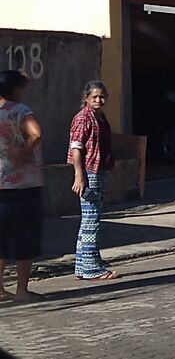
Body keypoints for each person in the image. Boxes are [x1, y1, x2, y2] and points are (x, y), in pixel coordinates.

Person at [0, 70, 44, 302]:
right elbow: (36, 134)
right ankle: (22, 290)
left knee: (1, 238)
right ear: (15, 89)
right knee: (24, 237)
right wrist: (24, 152)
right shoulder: (21, 111)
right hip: (23, 185)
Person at [69, 81, 119, 281]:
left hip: (98, 171)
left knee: (89, 220)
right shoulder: (83, 118)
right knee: (92, 221)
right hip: (89, 173)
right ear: (86, 98)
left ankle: (83, 265)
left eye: (102, 96)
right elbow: (76, 148)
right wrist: (79, 175)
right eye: (95, 97)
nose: (99, 100)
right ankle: (91, 268)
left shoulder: (99, 117)